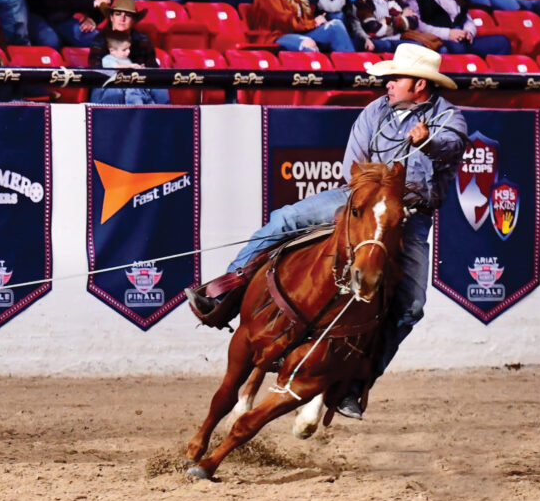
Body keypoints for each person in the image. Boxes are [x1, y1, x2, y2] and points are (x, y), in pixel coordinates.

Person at [185, 43, 468, 420]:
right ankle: (230, 287)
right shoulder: (375, 112)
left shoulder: (448, 118)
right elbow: (353, 164)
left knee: (410, 307)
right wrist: (370, 193)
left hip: (409, 216)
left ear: (419, 84)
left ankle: (355, 383)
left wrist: (426, 141)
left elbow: (452, 147)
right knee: (284, 220)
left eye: (394, 79)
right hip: (359, 201)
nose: (387, 84)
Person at [87, 0, 171, 104]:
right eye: (118, 14)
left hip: (138, 85)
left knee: (160, 88)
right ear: (111, 17)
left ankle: (164, 117)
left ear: (134, 20)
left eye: (127, 15)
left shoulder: (143, 40)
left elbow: (152, 69)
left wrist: (143, 71)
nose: (122, 18)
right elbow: (97, 71)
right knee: (116, 91)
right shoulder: (100, 39)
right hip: (107, 84)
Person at [100, 31, 157, 104]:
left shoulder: (127, 60)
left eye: (129, 48)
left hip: (135, 86)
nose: (128, 52)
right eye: (124, 50)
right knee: (133, 95)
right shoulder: (108, 59)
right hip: (121, 88)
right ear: (112, 51)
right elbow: (115, 67)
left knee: (147, 97)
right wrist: (131, 66)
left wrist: (139, 68)